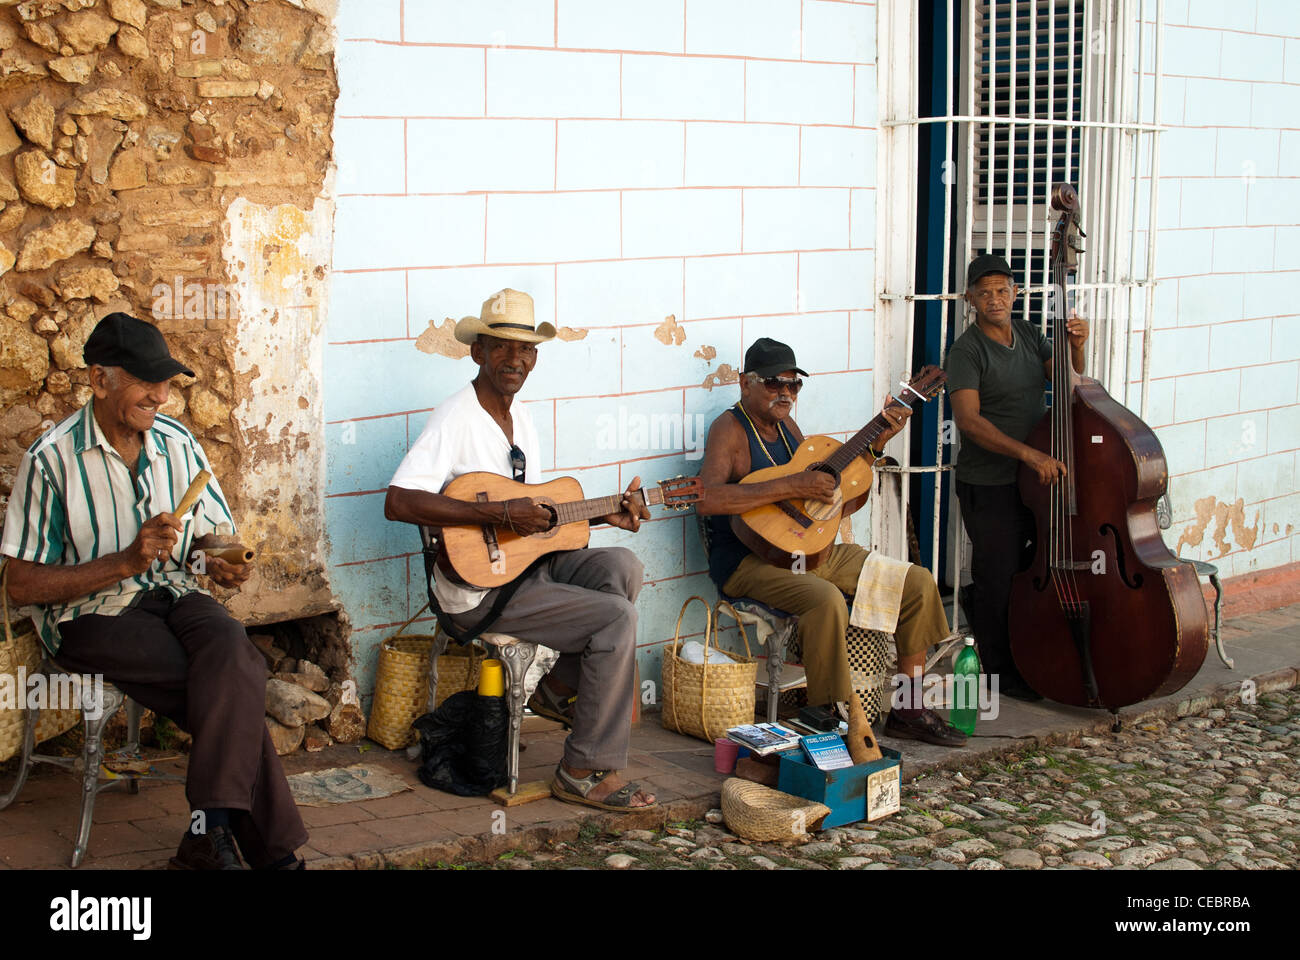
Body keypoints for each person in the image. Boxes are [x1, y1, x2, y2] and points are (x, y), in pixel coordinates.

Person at [1, 312, 308, 870]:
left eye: (167, 382)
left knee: (233, 650)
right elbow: (21, 585)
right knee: (230, 687)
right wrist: (122, 561)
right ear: (100, 380)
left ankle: (205, 836)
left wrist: (222, 563)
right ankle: (274, 855)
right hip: (91, 617)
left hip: (175, 595)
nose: (162, 396)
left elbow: (211, 537)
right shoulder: (51, 460)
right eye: (147, 381)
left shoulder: (177, 443)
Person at [384, 289, 657, 811]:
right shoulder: (455, 417)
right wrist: (496, 515)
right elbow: (397, 502)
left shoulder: (521, 416)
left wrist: (607, 514)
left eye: (526, 350)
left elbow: (536, 521)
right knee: (615, 619)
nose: (516, 360)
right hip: (477, 590)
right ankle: (579, 769)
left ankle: (557, 689)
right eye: (502, 347)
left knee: (622, 566)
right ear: (478, 352)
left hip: (523, 567)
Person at [695, 337, 966, 757]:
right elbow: (708, 498)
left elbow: (820, 479)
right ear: (745, 385)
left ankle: (909, 709)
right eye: (773, 384)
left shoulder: (787, 427)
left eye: (794, 385)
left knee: (915, 580)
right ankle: (829, 717)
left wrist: (876, 445)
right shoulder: (729, 430)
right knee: (825, 600)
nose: (785, 393)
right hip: (747, 561)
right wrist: (792, 485)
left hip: (807, 551)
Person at [945, 253, 1090, 701]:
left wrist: (1078, 345)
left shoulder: (1028, 333)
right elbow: (968, 420)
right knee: (998, 575)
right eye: (984, 292)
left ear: (1015, 293)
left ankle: (1032, 655)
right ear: (970, 299)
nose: (994, 299)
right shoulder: (966, 351)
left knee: (1033, 568)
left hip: (1033, 479)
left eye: (1002, 290)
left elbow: (1069, 378)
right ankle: (1000, 674)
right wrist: (1028, 454)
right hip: (989, 482)